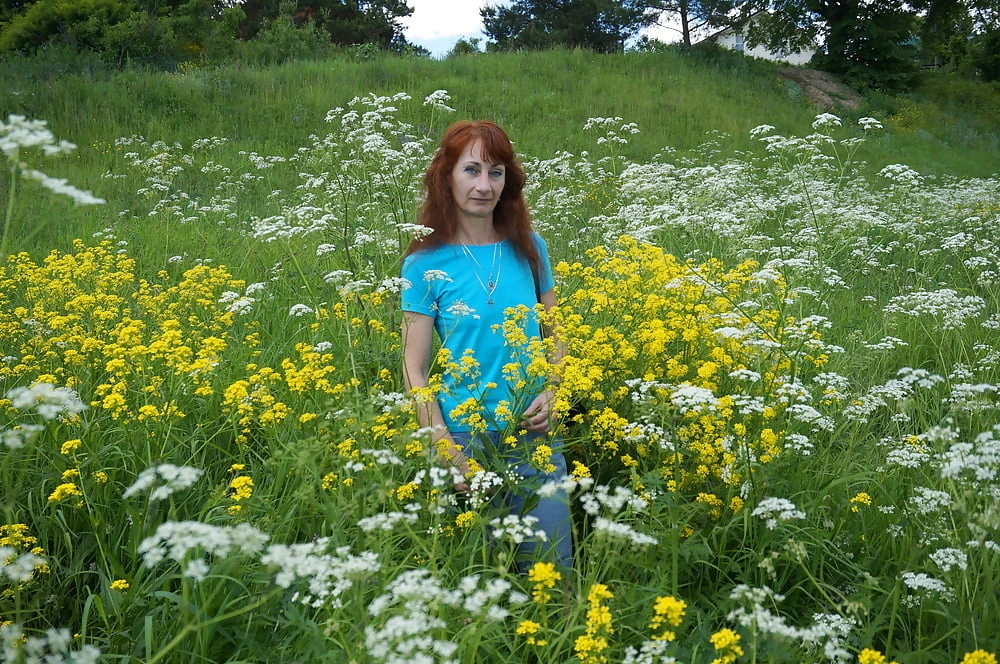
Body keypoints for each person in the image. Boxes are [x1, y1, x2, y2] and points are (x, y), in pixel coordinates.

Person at [400, 120, 572, 571]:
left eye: (496, 173)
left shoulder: (530, 248)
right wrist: (448, 452)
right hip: (464, 441)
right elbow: (414, 369)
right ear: (446, 177)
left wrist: (553, 390)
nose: (484, 185)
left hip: (533, 437)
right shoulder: (423, 264)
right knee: (476, 580)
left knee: (552, 573)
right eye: (471, 170)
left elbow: (556, 336)